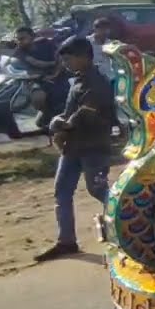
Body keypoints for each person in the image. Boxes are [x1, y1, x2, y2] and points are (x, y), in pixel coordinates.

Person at [35, 36, 117, 262]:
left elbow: (82, 116)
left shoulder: (97, 84)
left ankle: (130, 228)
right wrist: (60, 122)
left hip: (94, 148)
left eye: (69, 59)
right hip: (73, 147)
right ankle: (67, 242)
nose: (66, 64)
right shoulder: (78, 81)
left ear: (84, 56)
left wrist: (59, 124)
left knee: (101, 192)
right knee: (61, 191)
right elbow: (72, 113)